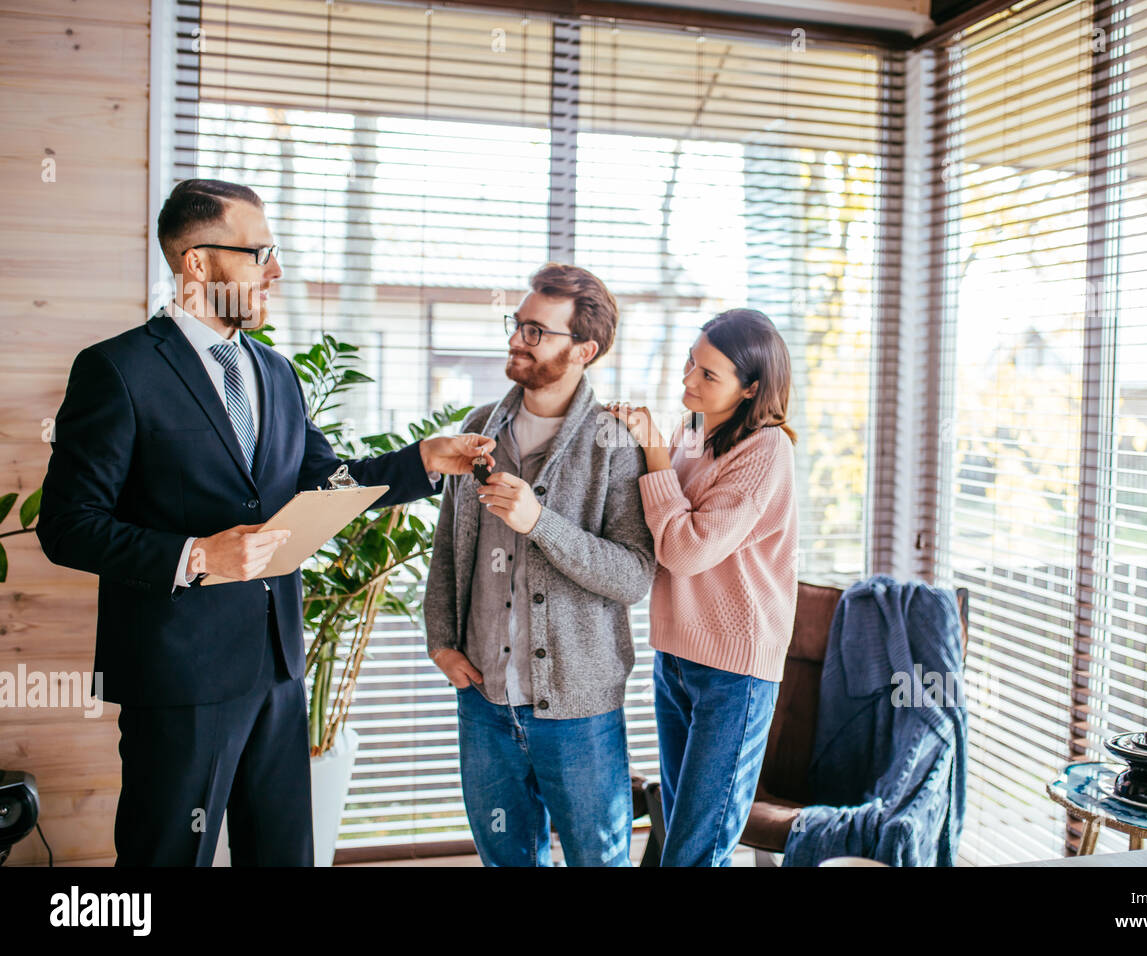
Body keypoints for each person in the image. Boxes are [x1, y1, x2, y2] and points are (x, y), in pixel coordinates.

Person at [36, 179, 494, 866]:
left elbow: (324, 480)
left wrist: (421, 462)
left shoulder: (276, 372)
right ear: (196, 263)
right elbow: (67, 525)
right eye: (259, 253)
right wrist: (197, 556)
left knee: (282, 854)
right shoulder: (119, 370)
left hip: (278, 668)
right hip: (179, 676)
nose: (274, 271)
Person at [423, 262, 655, 867]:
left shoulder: (615, 442)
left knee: (596, 859)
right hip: (484, 701)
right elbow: (449, 544)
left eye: (535, 331)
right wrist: (441, 641)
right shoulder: (479, 431)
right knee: (506, 858)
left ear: (584, 349)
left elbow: (633, 574)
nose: (516, 340)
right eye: (517, 324)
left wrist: (540, 523)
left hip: (580, 711)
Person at [607, 307, 798, 866]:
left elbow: (685, 550)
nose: (687, 379)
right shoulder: (692, 431)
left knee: (697, 846)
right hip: (676, 656)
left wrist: (654, 455)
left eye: (708, 374)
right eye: (691, 362)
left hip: (734, 669)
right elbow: (656, 519)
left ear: (751, 388)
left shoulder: (766, 450)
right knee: (676, 827)